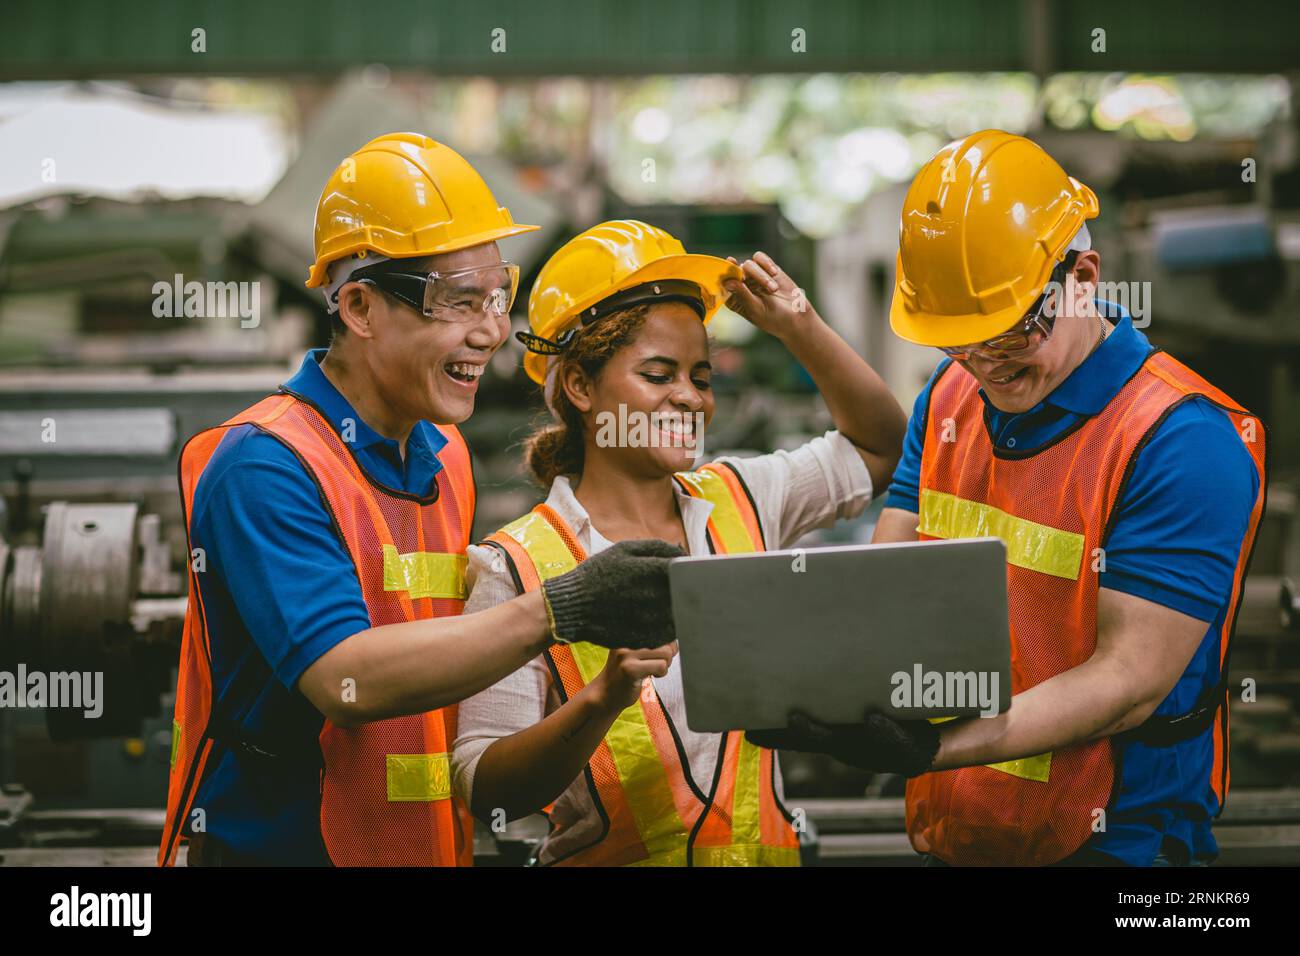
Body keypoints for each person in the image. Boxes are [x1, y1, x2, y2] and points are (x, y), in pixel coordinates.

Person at [748, 129, 1267, 867]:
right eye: (961, 341)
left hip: (1114, 842)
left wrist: (932, 745)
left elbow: (1128, 684)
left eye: (1013, 329)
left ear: (1082, 276)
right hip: (958, 821)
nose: (989, 364)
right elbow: (886, 583)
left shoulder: (1182, 441)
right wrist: (819, 678)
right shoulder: (950, 396)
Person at [160, 136, 681, 867]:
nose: (493, 330)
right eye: (459, 301)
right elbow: (348, 678)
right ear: (361, 306)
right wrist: (561, 609)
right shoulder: (265, 463)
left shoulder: (443, 455)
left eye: (498, 296)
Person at [450, 219, 906, 865]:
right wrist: (600, 701)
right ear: (580, 386)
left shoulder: (745, 494)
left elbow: (882, 447)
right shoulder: (514, 567)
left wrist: (796, 323)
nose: (689, 398)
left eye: (701, 376)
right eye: (658, 375)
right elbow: (486, 788)